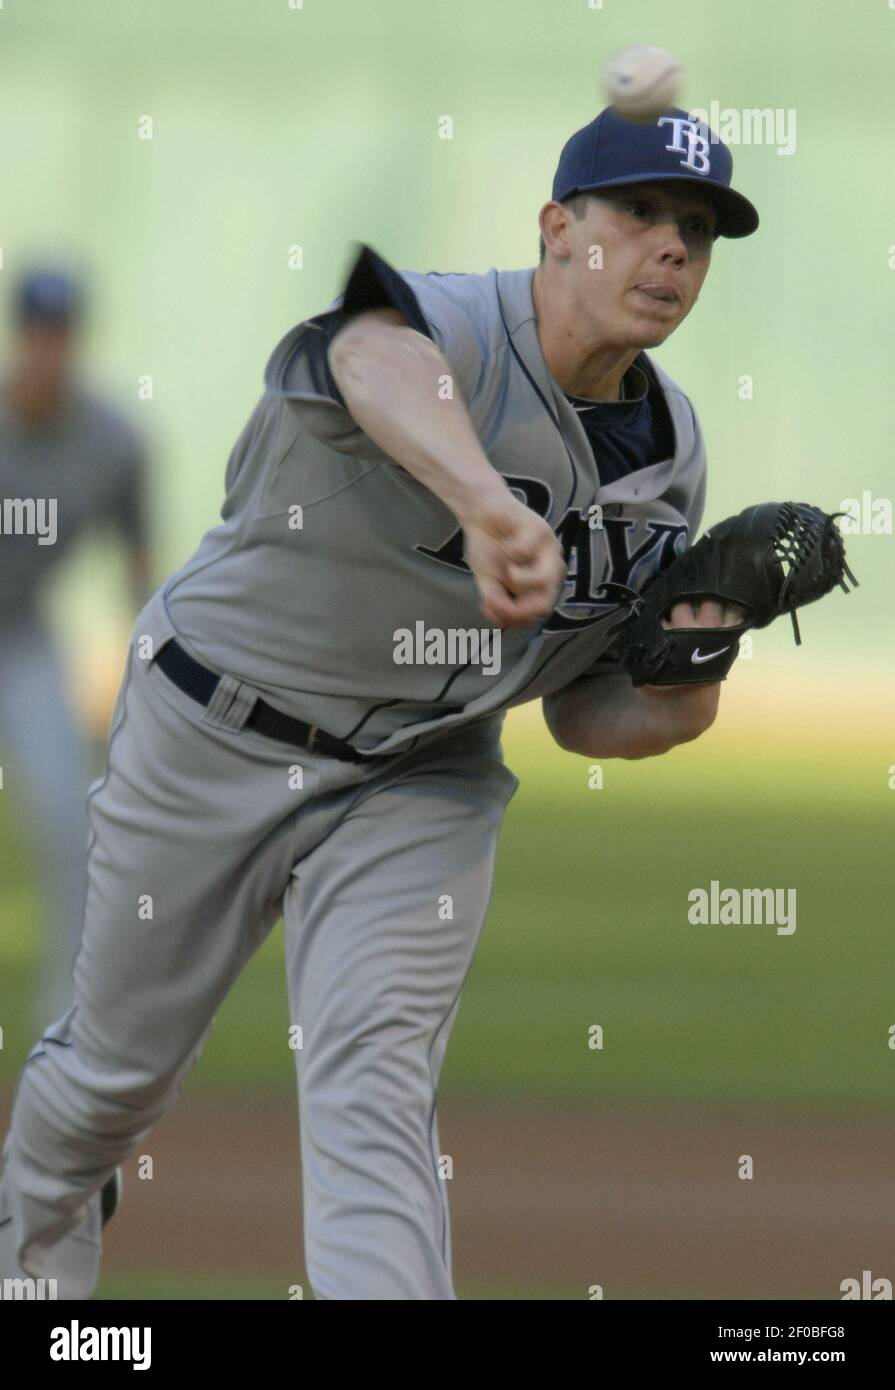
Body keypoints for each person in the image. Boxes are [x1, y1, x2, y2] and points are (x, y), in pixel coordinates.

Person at [0, 108, 755, 1300]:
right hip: (211, 725)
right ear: (557, 230)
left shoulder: (670, 455)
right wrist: (481, 500)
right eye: (640, 215)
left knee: (374, 1086)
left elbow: (590, 716)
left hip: (422, 776)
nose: (671, 249)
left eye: (699, 230)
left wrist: (697, 675)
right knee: (110, 1081)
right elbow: (365, 354)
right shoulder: (448, 319)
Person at [0, 269, 151, 1032]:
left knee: (73, 819)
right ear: (19, 336)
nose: (48, 348)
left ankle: (66, 1024)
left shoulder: (111, 440)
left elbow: (137, 566)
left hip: (22, 639)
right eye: (36, 332)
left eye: (59, 334)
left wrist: (140, 687)